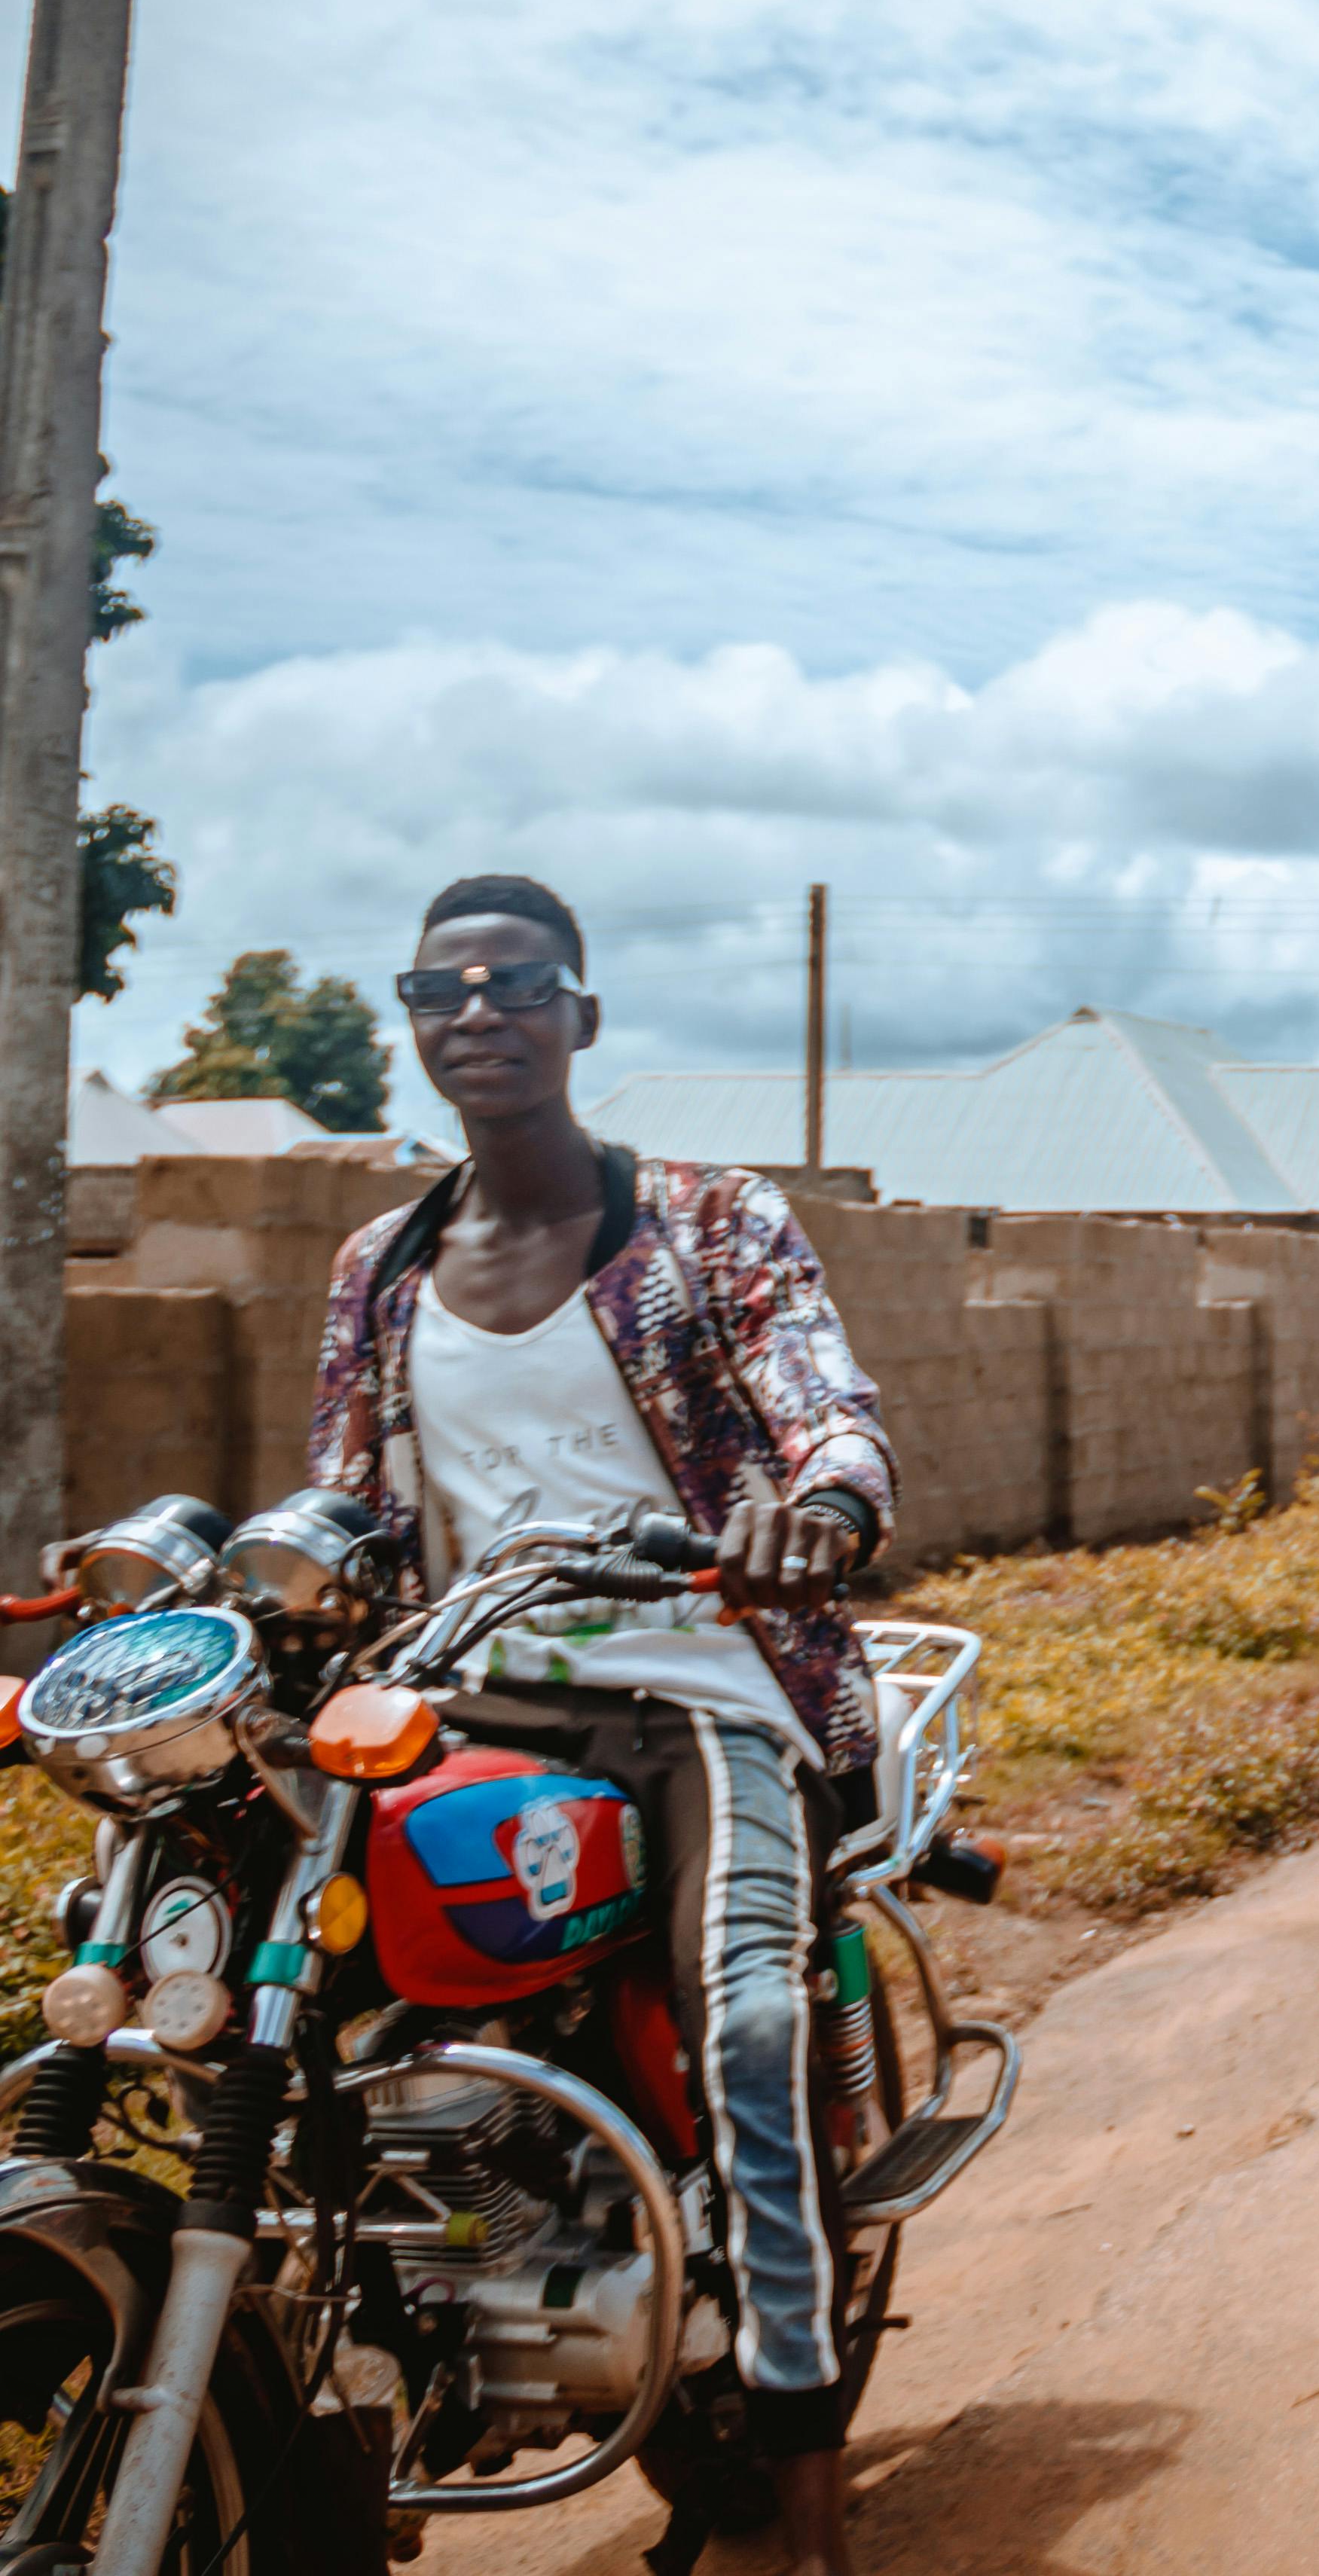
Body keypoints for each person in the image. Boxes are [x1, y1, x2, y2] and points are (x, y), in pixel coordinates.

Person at [311, 875, 891, 2576]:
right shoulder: (382, 1264)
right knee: (291, 1999)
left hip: (697, 1689)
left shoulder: (707, 1221)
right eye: (443, 989)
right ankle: (362, 2369)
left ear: (582, 1016)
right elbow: (349, 1497)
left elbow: (825, 1403)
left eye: (517, 985)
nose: (478, 1012)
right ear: (413, 1022)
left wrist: (820, 1508)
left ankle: (808, 2495)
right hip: (459, 1697)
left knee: (752, 2032)